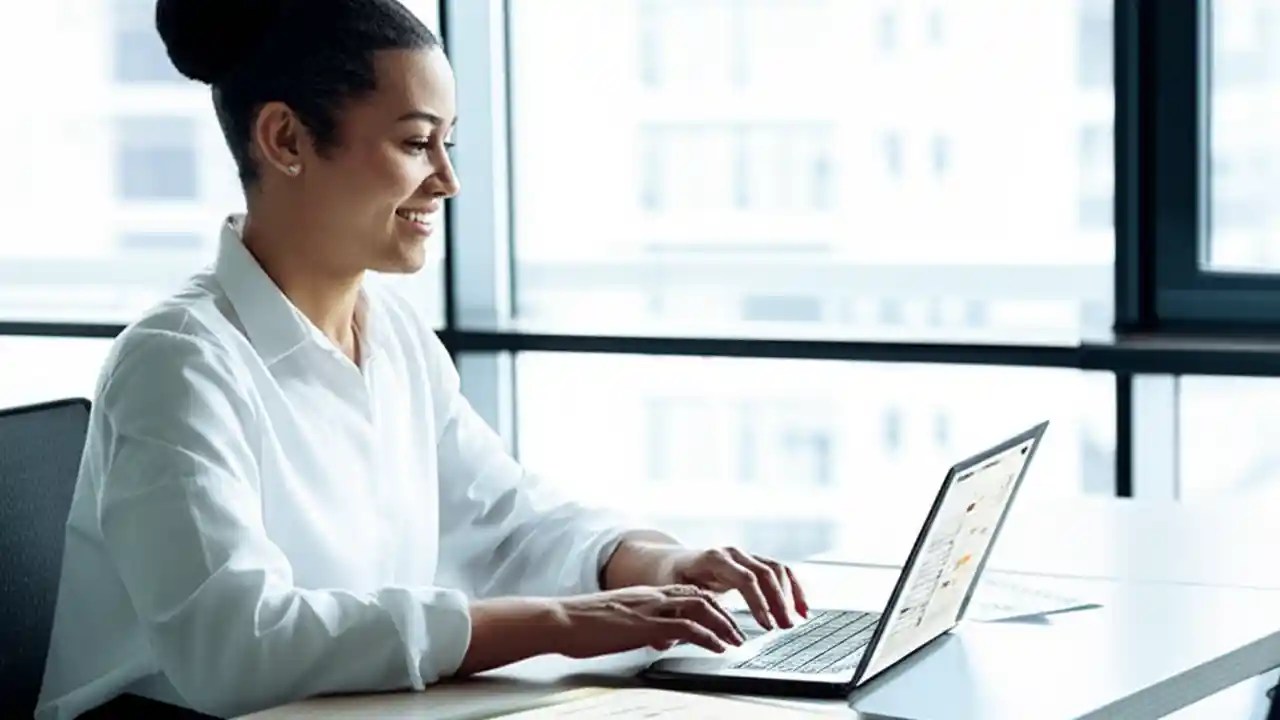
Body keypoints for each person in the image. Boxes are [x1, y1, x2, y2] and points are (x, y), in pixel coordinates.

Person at [35, 1, 809, 717]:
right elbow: (238, 645)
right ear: (285, 139)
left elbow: (505, 526)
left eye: (449, 142)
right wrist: (560, 623)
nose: (448, 178)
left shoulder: (396, 338)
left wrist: (657, 565)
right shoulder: (177, 363)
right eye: (415, 143)